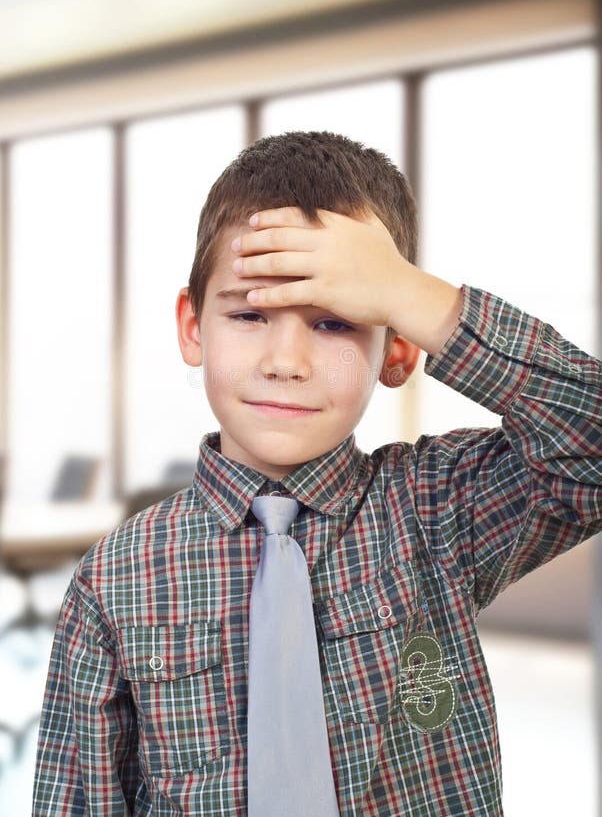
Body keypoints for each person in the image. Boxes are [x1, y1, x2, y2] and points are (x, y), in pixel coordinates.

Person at [32, 130, 601, 815]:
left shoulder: (438, 509)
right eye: (249, 314)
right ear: (193, 327)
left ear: (398, 350)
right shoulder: (115, 578)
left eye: (334, 323)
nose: (285, 362)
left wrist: (412, 295)